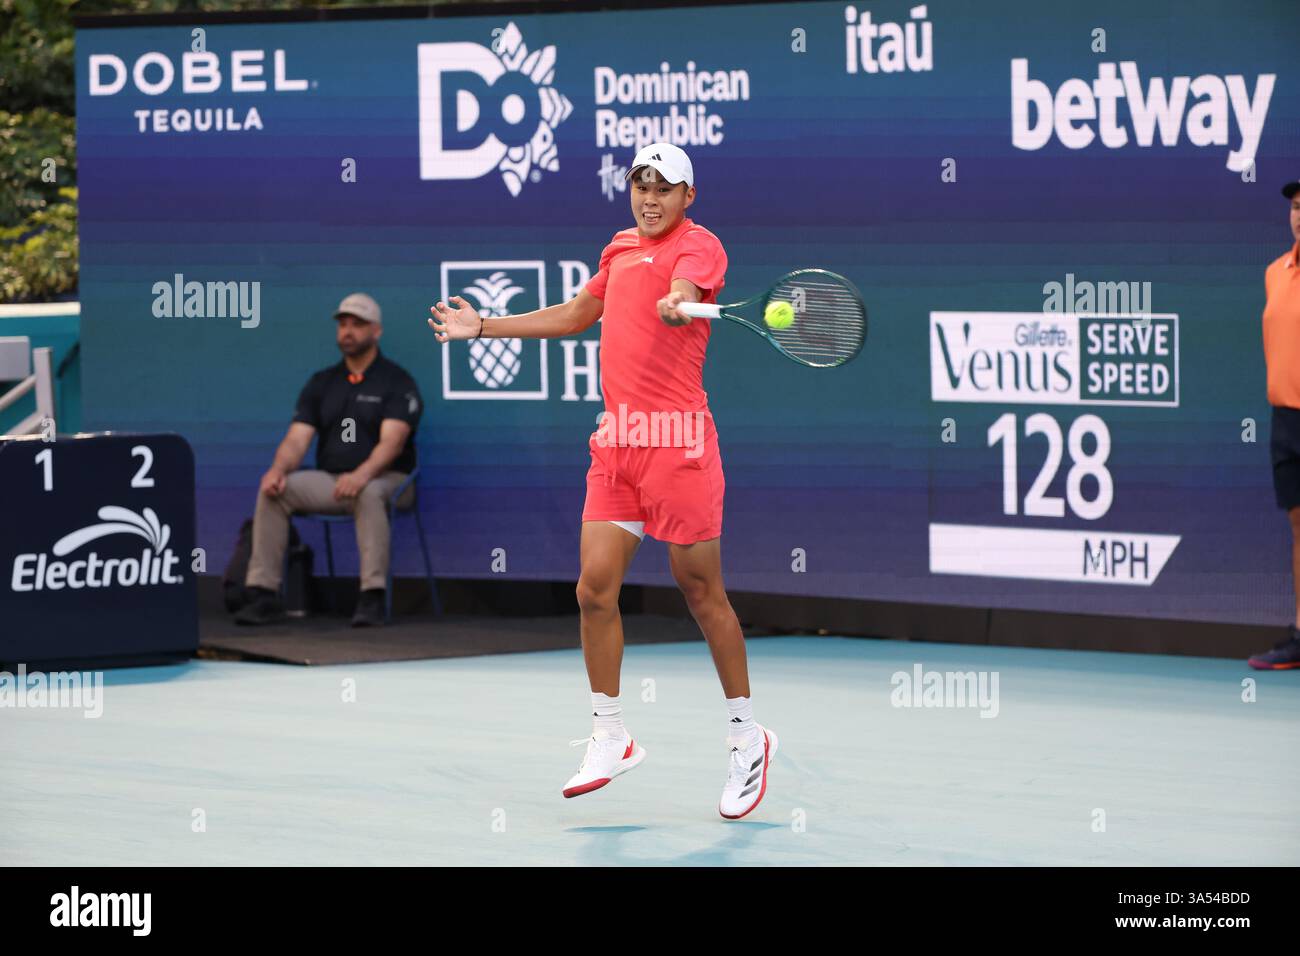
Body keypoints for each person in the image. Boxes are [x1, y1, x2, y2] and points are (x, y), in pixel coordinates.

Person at [428, 143, 777, 818]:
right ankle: (611, 734)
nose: (650, 198)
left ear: (689, 197)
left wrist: (679, 302)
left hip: (678, 446)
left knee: (700, 589)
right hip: (617, 443)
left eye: (665, 188)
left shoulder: (700, 247)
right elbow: (576, 315)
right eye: (641, 185)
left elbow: (686, 286)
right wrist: (484, 328)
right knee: (593, 589)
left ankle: (746, 735)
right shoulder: (618, 247)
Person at [237, 292, 423, 628]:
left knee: (367, 493)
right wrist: (278, 470)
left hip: (391, 480)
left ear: (376, 331)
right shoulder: (322, 383)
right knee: (275, 490)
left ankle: (372, 596)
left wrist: (363, 474)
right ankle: (263, 594)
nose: (348, 331)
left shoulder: (396, 382)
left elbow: (392, 444)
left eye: (358, 324)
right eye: (343, 325)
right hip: (332, 480)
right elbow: (297, 439)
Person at [1251, 175, 1300, 669]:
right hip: (1286, 420)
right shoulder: (1274, 272)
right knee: (1299, 526)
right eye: (1295, 207)